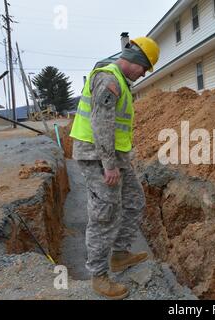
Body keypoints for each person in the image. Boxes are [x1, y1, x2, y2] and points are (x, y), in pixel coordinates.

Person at [69, 37, 160, 300]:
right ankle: (98, 275)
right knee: (104, 213)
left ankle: (120, 254)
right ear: (138, 61)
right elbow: (101, 124)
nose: (143, 74)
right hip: (97, 156)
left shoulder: (120, 81)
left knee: (133, 200)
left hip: (114, 156)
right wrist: (109, 165)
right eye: (145, 68)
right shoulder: (109, 80)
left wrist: (118, 160)